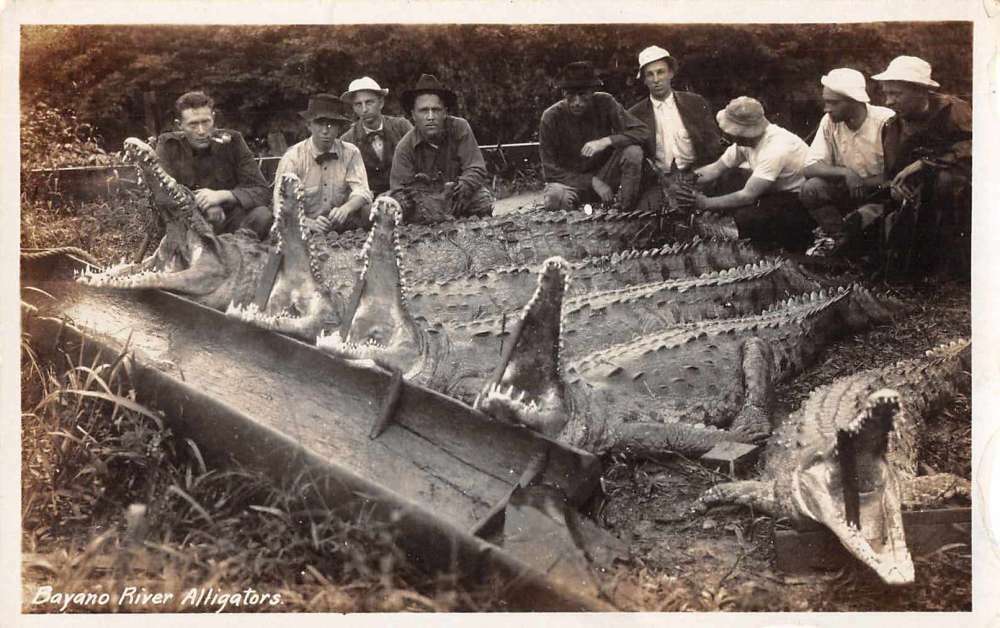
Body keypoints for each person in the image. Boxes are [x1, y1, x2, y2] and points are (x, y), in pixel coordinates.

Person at [872, 55, 972, 278]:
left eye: (896, 94)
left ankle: (953, 265)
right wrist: (895, 186)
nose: (888, 102)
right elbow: (893, 173)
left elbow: (975, 145)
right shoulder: (892, 126)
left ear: (920, 91)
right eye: (886, 93)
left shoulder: (953, 110)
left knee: (945, 183)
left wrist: (925, 164)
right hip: (917, 197)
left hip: (959, 192)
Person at [682, 96, 812, 249]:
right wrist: (686, 181)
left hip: (796, 201)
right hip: (772, 191)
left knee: (746, 218)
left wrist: (706, 203)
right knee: (728, 178)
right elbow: (717, 168)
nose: (728, 135)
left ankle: (766, 248)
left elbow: (747, 196)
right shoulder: (745, 143)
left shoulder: (776, 148)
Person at [799, 68, 896, 256]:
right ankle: (838, 239)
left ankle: (860, 245)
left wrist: (862, 183)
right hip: (848, 189)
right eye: (826, 101)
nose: (827, 108)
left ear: (855, 101)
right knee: (811, 188)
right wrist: (846, 173)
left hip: (882, 192)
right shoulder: (829, 121)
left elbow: (897, 173)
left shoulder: (886, 121)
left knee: (866, 221)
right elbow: (810, 167)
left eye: (833, 102)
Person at [155, 91, 272, 239]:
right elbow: (161, 196)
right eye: (193, 124)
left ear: (214, 119)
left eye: (206, 122)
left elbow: (261, 190)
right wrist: (205, 205)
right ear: (180, 126)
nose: (201, 131)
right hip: (189, 223)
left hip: (229, 222)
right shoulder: (168, 145)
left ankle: (238, 253)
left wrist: (222, 196)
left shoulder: (233, 141)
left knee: (262, 216)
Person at [539, 61, 649, 211]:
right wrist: (592, 182)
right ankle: (573, 219)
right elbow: (550, 171)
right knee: (555, 197)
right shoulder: (551, 117)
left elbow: (642, 132)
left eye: (583, 95)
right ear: (563, 93)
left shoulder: (605, 102)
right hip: (570, 183)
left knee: (633, 151)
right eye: (571, 95)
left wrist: (606, 141)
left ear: (592, 92)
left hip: (606, 177)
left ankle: (625, 210)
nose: (577, 102)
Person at [389, 74, 494, 223]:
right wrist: (424, 200)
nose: (430, 116)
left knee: (482, 198)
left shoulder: (460, 128)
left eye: (436, 110)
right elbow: (398, 191)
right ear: (413, 115)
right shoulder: (404, 147)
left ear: (445, 112)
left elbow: (476, 167)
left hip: (458, 197)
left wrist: (462, 186)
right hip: (424, 204)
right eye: (424, 111)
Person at [627, 46, 722, 209]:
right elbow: (639, 161)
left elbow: (713, 147)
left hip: (699, 176)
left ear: (671, 73)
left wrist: (699, 179)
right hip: (659, 182)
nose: (656, 79)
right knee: (647, 222)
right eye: (650, 74)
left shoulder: (695, 103)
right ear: (644, 80)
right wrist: (666, 183)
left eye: (661, 72)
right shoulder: (635, 114)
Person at [272, 94, 373, 233]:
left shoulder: (351, 152)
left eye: (331, 124)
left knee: (370, 211)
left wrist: (346, 208)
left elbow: (362, 191)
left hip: (342, 225)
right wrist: (308, 223)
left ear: (339, 128)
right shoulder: (293, 157)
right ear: (309, 125)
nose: (325, 131)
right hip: (303, 226)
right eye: (320, 123)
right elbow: (279, 205)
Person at [339, 77, 413, 196]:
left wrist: (396, 192)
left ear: (381, 103)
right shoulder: (347, 140)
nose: (364, 109)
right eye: (358, 104)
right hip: (366, 202)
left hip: (405, 195)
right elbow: (347, 183)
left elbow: (418, 163)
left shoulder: (402, 127)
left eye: (369, 102)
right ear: (353, 108)